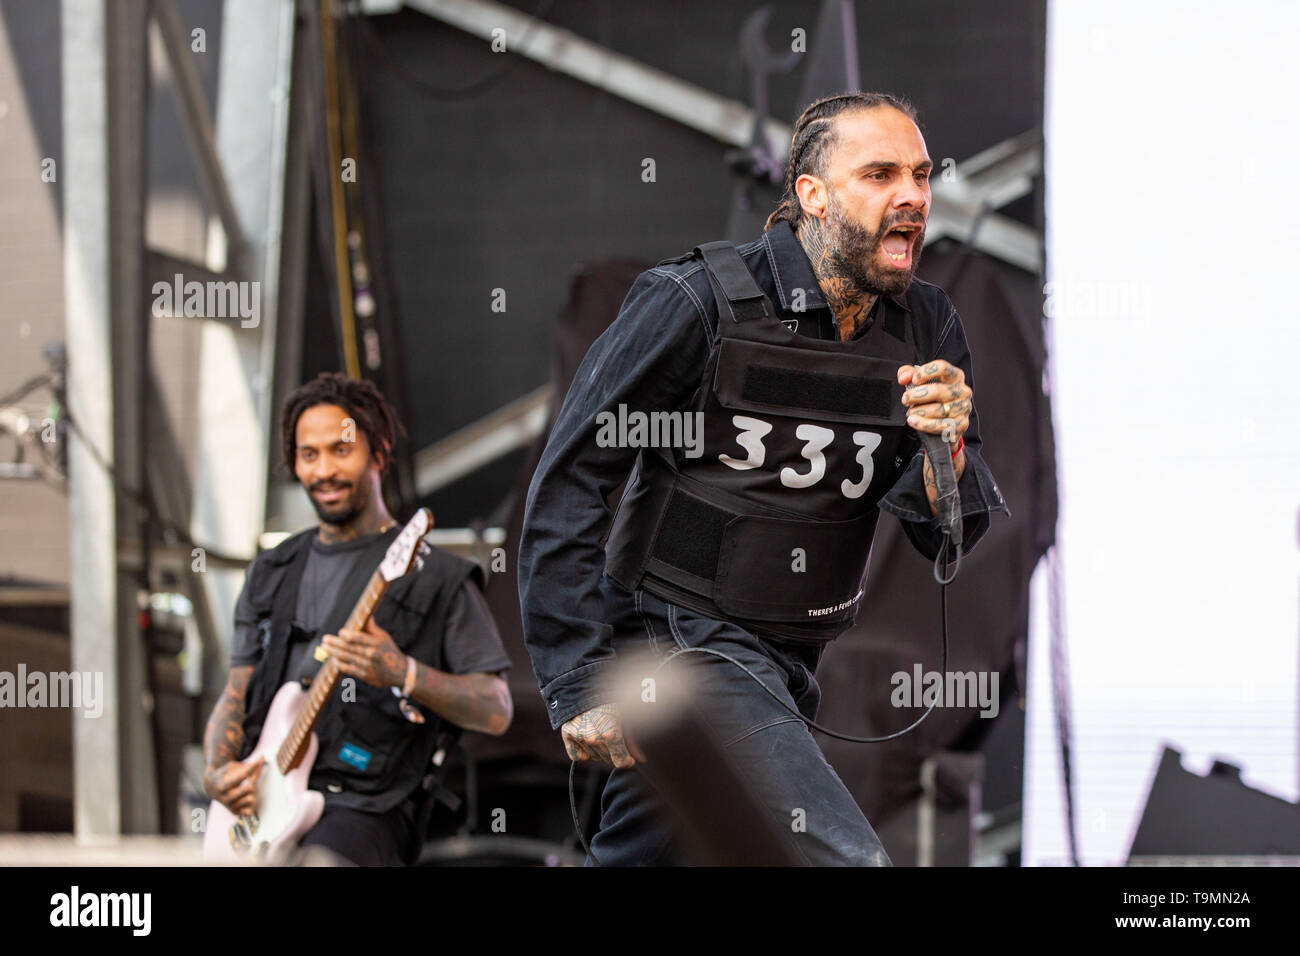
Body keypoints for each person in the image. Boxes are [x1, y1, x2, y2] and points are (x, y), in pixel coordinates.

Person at [517, 92, 1009, 865]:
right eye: (880, 174)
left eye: (920, 174)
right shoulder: (696, 300)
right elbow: (571, 479)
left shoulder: (927, 326)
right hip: (680, 642)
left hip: (787, 660)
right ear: (812, 196)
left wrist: (945, 446)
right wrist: (575, 677)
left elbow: (946, 532)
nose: (913, 194)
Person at [203, 372, 513, 866]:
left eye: (340, 450)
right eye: (309, 454)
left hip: (368, 807)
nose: (324, 469)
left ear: (379, 453)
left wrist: (404, 672)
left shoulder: (436, 576)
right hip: (262, 801)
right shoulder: (272, 570)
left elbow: (496, 709)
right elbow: (236, 691)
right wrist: (218, 771)